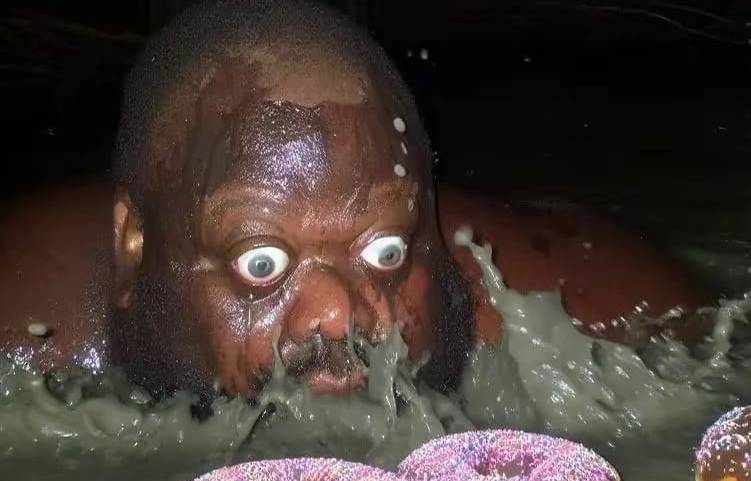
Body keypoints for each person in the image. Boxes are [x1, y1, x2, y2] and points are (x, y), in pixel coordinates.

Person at [0, 0, 708, 402]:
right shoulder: (28, 321)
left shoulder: (544, 311)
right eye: (261, 264)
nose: (339, 314)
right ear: (134, 247)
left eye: (386, 252)